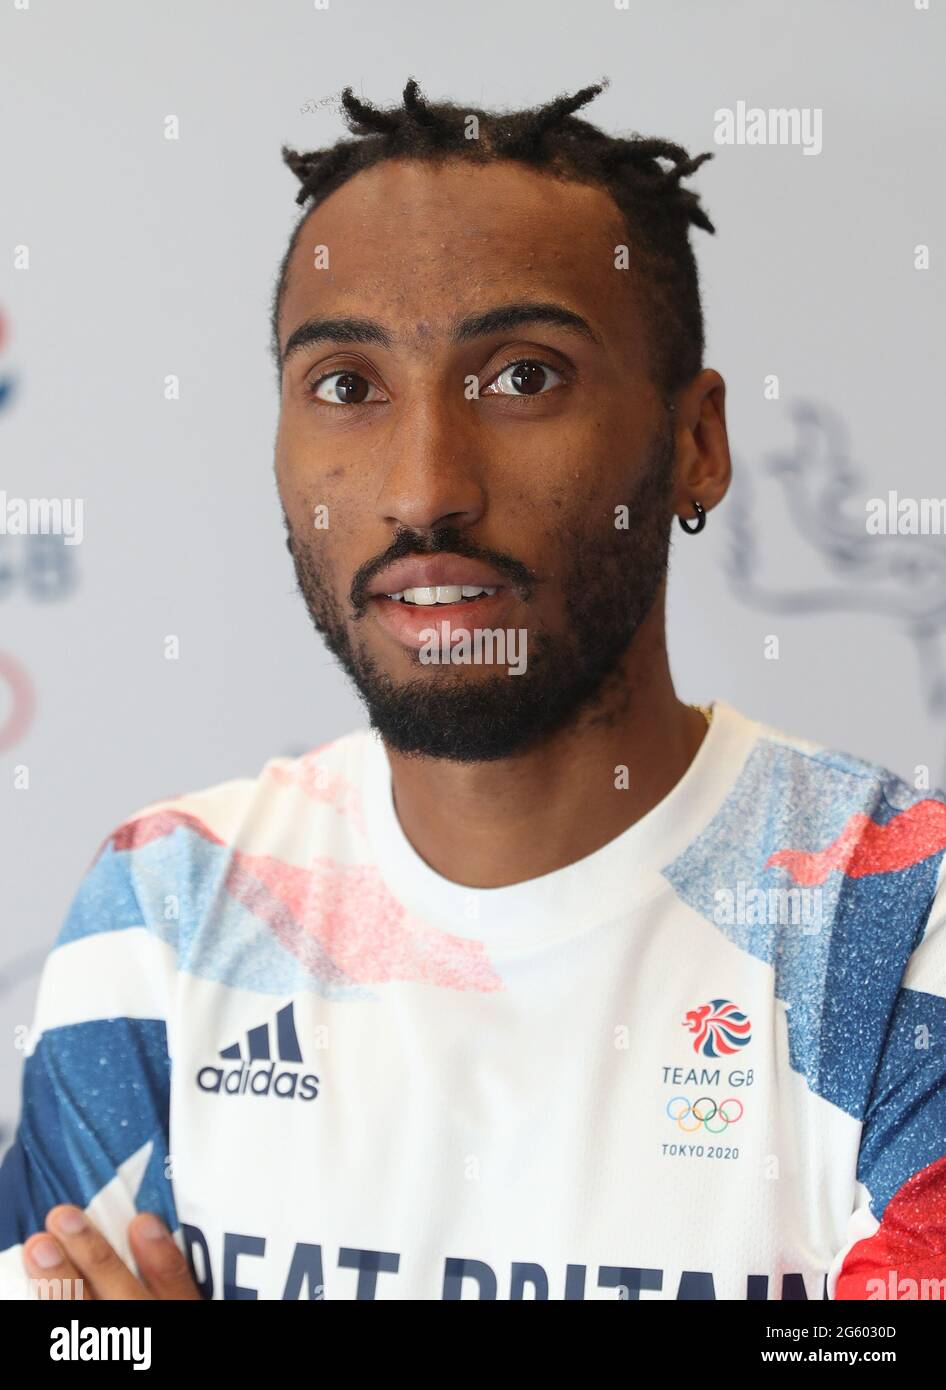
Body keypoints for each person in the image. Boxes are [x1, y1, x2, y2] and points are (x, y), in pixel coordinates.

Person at [2, 78, 944, 1302]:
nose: (424, 487)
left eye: (522, 378)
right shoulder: (163, 908)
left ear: (695, 444)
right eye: (347, 385)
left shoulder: (896, 923)